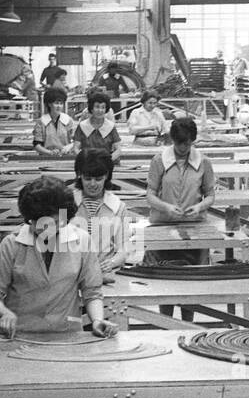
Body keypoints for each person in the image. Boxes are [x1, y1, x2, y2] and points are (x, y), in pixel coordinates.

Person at [0, 176, 119, 398]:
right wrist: (4, 313)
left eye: (55, 222)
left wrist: (97, 320)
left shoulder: (81, 241)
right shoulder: (11, 245)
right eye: (38, 223)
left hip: (64, 343)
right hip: (22, 344)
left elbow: (91, 292)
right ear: (29, 220)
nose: (47, 228)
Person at [146, 115, 216, 319]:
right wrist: (166, 207)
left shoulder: (203, 162)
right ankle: (166, 325)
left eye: (186, 143)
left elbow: (211, 195)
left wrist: (199, 206)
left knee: (191, 283)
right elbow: (149, 194)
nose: (182, 147)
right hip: (163, 227)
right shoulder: (159, 161)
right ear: (172, 140)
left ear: (193, 140)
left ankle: (188, 325)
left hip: (194, 229)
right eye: (178, 142)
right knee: (164, 281)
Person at [71, 148, 132, 281]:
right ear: (79, 175)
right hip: (71, 276)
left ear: (107, 176)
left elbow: (124, 248)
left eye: (98, 179)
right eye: (87, 178)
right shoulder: (66, 203)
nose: (92, 184)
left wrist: (111, 263)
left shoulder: (118, 207)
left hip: (106, 275)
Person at [73, 90, 122, 161]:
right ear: (91, 109)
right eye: (97, 107)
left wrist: (108, 160)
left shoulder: (111, 126)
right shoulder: (82, 126)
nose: (100, 110)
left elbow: (118, 149)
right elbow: (75, 148)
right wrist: (85, 159)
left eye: (103, 107)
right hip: (86, 163)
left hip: (106, 164)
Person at [34, 87, 75, 156]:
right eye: (56, 103)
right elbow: (37, 145)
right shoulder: (41, 122)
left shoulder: (68, 120)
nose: (59, 106)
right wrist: (49, 152)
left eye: (61, 103)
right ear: (49, 104)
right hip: (46, 158)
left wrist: (68, 147)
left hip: (65, 157)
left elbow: (76, 141)